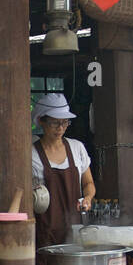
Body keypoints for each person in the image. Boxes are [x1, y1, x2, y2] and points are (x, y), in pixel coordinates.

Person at [31, 92, 95, 247]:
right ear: (41, 121)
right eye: (55, 123)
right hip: (45, 230)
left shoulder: (77, 147)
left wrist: (88, 198)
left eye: (65, 122)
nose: (60, 128)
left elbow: (88, 183)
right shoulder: (30, 153)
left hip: (75, 228)